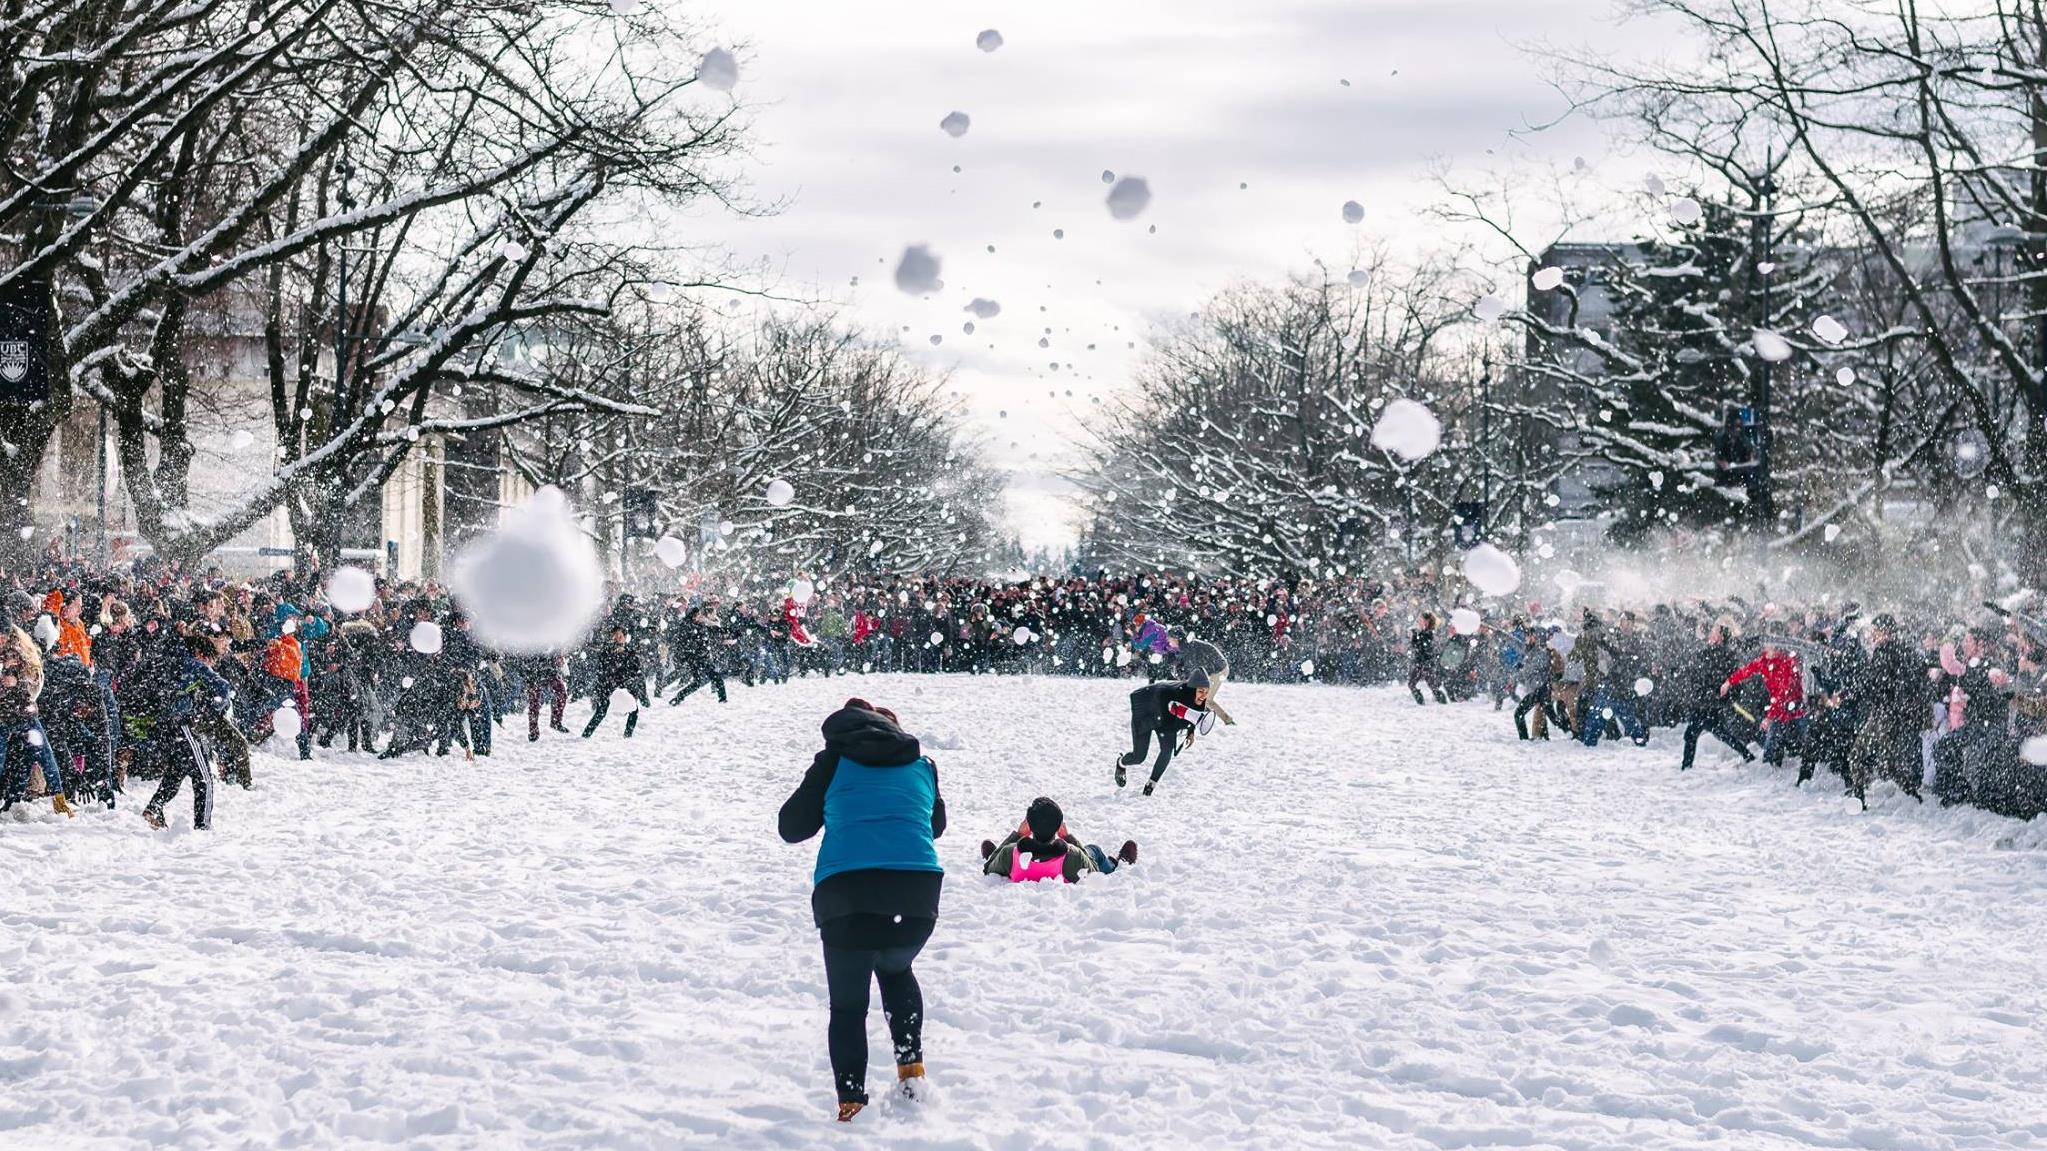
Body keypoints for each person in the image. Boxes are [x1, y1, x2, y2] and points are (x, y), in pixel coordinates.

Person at [778, 698, 946, 1122]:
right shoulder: (923, 766)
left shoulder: (835, 761)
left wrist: (826, 770)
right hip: (917, 896)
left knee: (849, 1006)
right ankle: (912, 1071)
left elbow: (792, 827)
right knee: (895, 968)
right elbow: (935, 826)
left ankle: (851, 1104)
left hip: (848, 895)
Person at [141, 631, 234, 831]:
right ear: (199, 653)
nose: (209, 665)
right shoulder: (192, 664)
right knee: (205, 777)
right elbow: (223, 688)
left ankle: (155, 807)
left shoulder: (165, 659)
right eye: (208, 660)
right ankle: (203, 825)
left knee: (177, 770)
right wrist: (212, 707)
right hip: (180, 725)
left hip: (159, 726)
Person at [979, 796, 1137, 882]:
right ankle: (1115, 863)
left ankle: (996, 857)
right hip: (1072, 859)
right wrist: (1068, 837)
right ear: (1059, 826)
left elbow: (987, 869)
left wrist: (1018, 835)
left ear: (1029, 826)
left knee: (998, 858)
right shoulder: (1072, 855)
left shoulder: (1010, 853)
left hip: (1010, 860)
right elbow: (1093, 871)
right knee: (1093, 850)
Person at [1114, 668, 1213, 795]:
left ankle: (1151, 785)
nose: (1203, 696)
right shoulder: (1169, 693)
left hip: (1165, 720)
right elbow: (1169, 720)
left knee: (1167, 750)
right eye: (1200, 691)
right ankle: (1121, 763)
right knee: (1139, 757)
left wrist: (1191, 731)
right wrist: (1180, 720)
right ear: (1192, 690)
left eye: (1206, 692)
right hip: (1145, 713)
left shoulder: (1197, 698)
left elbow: (1194, 713)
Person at [1678, 618, 1754, 770]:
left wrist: (1712, 693)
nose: (1711, 633)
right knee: (1720, 733)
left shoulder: (1722, 655)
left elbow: (1721, 678)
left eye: (1715, 631)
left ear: (1721, 637)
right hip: (1706, 701)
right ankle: (1747, 754)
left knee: (1694, 734)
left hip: (1707, 702)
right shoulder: (1711, 653)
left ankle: (1686, 767)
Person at [1722, 638, 1807, 769]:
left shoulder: (1786, 664)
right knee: (1773, 739)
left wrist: (1769, 717)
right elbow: (1746, 670)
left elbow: (1782, 693)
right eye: (1768, 646)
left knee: (1803, 736)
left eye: (1772, 647)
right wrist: (1729, 682)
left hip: (1793, 706)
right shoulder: (1764, 662)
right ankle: (1771, 765)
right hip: (1780, 708)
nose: (1768, 649)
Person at [581, 625, 650, 738]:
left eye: (620, 636)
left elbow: (635, 669)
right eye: (615, 636)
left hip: (623, 686)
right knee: (601, 711)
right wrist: (614, 656)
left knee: (634, 710)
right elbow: (603, 670)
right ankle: (586, 735)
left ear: (625, 637)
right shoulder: (606, 651)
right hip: (607, 685)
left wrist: (625, 656)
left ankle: (628, 735)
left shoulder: (630, 652)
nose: (617, 638)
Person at [1407, 612, 1447, 705]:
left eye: (1420, 619)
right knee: (1415, 684)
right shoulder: (1421, 632)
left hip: (1425, 663)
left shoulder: (1428, 633)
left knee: (1431, 686)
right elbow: (1416, 646)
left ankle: (1442, 702)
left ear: (1426, 621)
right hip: (1421, 663)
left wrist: (1415, 635)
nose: (1418, 620)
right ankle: (1425, 702)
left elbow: (1423, 647)